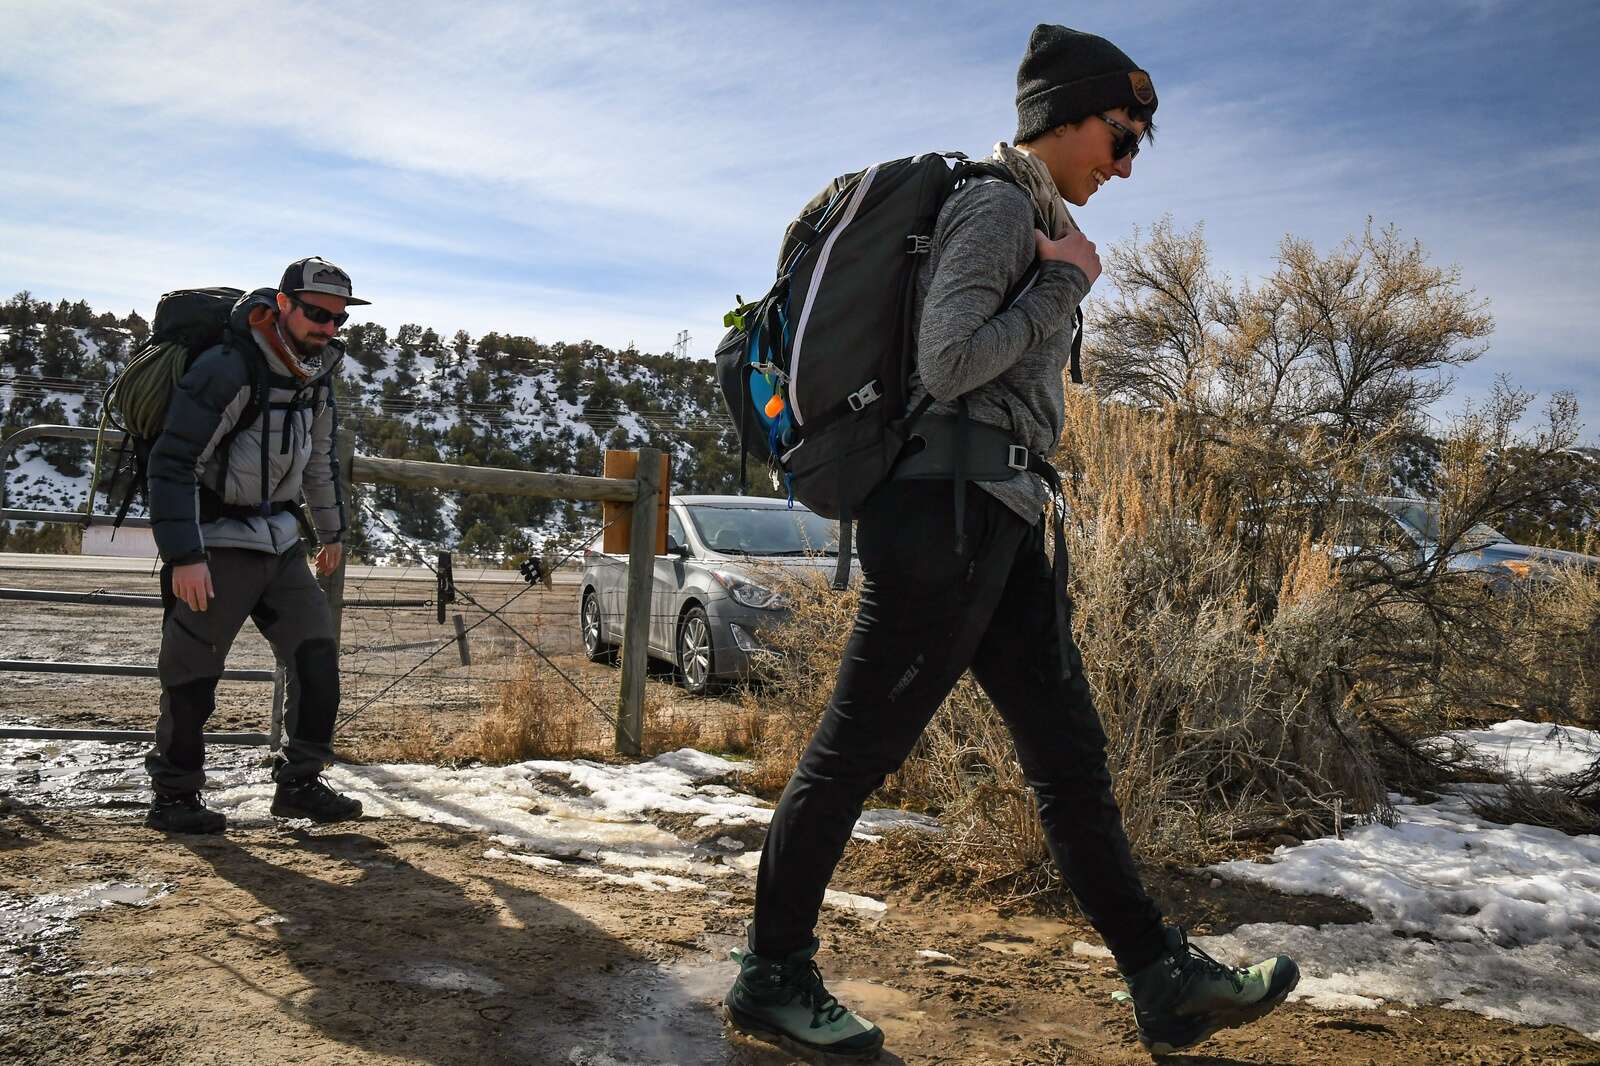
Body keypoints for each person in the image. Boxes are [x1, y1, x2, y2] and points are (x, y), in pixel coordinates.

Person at [724, 25, 1299, 1059]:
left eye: (1133, 149)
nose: (1122, 166)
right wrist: (1065, 281)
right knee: (853, 751)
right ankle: (770, 973)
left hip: (995, 517)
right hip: (942, 517)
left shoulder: (1026, 214)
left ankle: (1162, 979)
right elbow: (948, 361)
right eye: (1118, 139)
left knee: (1068, 755)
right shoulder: (994, 206)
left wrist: (1055, 277)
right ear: (1063, 118)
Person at [142, 257, 368, 834]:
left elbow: (319, 459)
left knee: (316, 658)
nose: (329, 327)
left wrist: (332, 532)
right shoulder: (228, 368)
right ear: (284, 304)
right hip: (215, 542)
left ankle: (300, 785)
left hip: (282, 542)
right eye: (317, 314)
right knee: (192, 672)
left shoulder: (317, 372)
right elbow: (172, 464)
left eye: (339, 319)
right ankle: (175, 798)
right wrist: (185, 556)